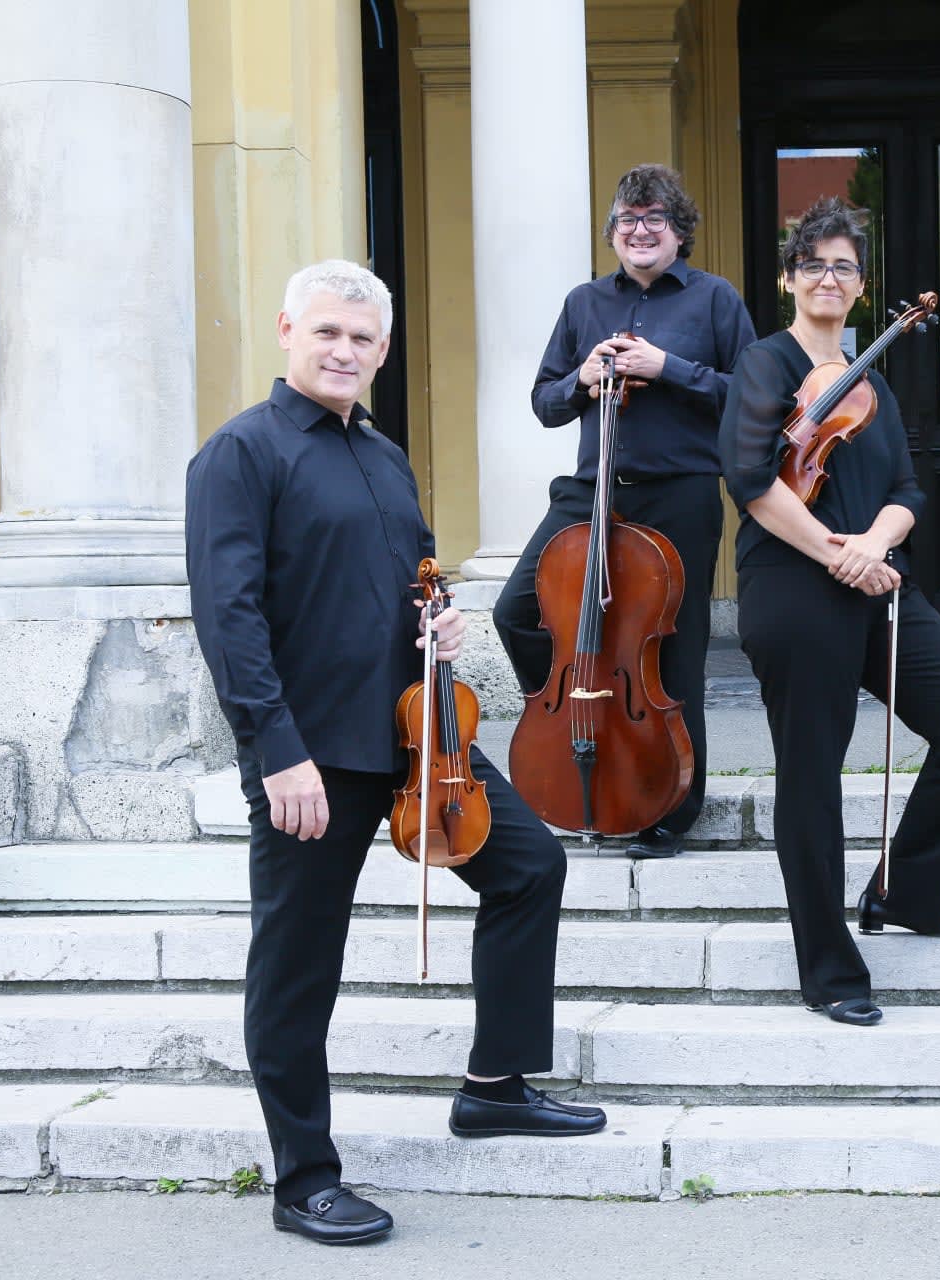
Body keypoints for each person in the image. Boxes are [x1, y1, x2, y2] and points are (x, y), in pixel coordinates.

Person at [186, 259, 605, 1248]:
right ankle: (304, 1176)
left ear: (381, 350)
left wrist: (443, 619)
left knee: (530, 865)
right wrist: (275, 751)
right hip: (312, 755)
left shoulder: (381, 454)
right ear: (288, 328)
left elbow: (416, 572)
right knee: (298, 962)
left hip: (422, 735)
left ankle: (495, 1083)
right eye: (328, 331)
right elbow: (229, 616)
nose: (344, 351)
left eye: (363, 339)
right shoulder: (239, 455)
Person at [721, 197, 940, 1027]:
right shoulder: (765, 366)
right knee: (812, 778)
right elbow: (751, 483)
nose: (827, 277)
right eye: (812, 263)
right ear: (787, 279)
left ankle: (909, 892)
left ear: (860, 286)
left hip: (877, 583)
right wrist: (836, 553)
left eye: (843, 266)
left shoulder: (874, 382)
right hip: (794, 591)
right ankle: (830, 970)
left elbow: (907, 490)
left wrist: (876, 545)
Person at [495, 163, 757, 859]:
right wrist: (582, 378)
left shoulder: (714, 300)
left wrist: (665, 368)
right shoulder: (584, 302)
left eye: (655, 220)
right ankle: (574, 718)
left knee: (673, 652)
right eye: (627, 220)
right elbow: (545, 402)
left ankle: (671, 806)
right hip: (593, 491)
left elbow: (754, 395)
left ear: (680, 233)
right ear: (613, 231)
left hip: (680, 493)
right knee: (516, 611)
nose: (640, 231)